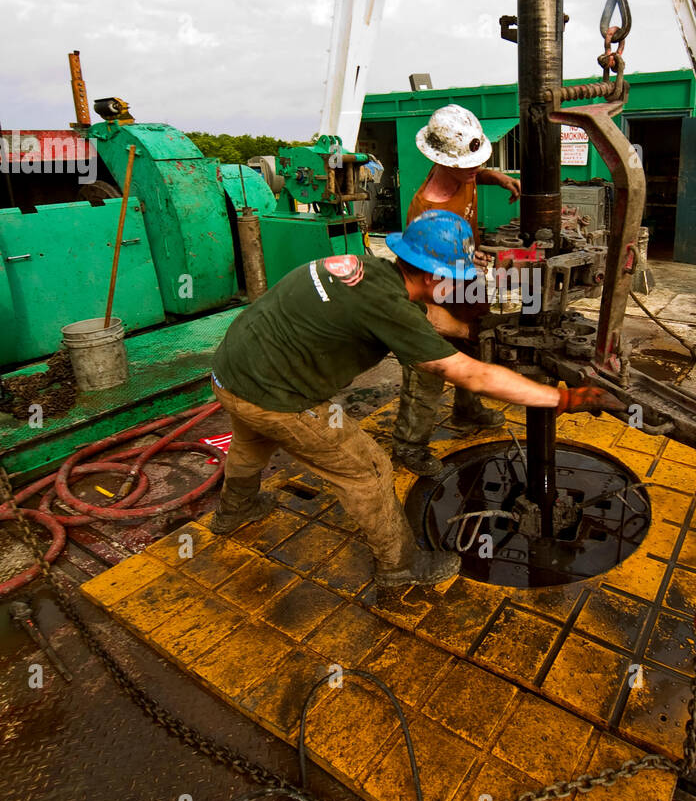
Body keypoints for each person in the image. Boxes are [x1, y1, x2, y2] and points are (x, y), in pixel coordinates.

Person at [208, 210, 618, 599]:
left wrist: (474, 332)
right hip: (277, 397)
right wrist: (561, 398)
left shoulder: (371, 272)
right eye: (454, 277)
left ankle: (234, 513)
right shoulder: (389, 307)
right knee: (368, 470)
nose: (458, 286)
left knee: (249, 444)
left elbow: (426, 316)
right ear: (432, 274)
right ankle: (400, 566)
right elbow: (468, 375)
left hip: (231, 372)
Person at [392, 104, 522, 475]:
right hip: (436, 290)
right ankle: (408, 445)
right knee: (430, 369)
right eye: (470, 166)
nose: (474, 171)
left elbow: (472, 171)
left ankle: (467, 409)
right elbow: (424, 272)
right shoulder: (428, 208)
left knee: (476, 346)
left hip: (466, 280)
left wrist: (495, 177)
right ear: (443, 162)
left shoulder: (459, 171)